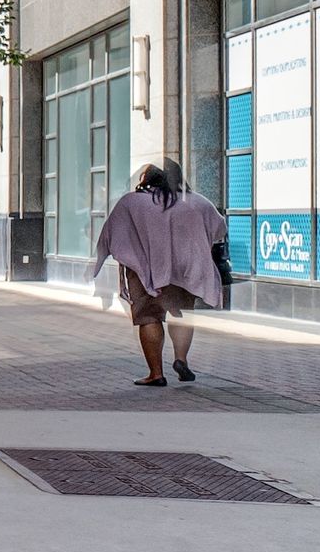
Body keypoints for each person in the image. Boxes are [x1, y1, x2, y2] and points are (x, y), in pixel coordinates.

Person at [94, 160, 225, 387]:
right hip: (185, 269)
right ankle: (181, 359)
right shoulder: (196, 202)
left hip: (145, 269)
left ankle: (156, 373)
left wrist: (99, 264)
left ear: (146, 180)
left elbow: (110, 234)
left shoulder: (131, 203)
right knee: (181, 313)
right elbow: (219, 228)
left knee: (149, 317)